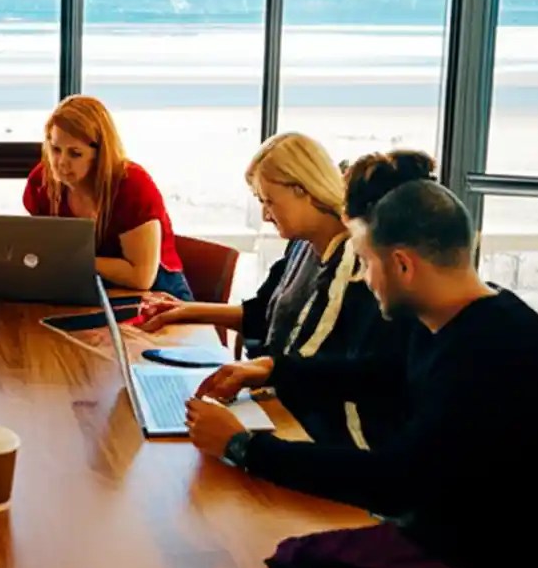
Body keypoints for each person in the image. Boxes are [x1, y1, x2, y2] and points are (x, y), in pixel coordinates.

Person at [185, 152, 538, 568]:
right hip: (455, 524)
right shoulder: (469, 314)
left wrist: (242, 446)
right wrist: (275, 369)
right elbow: (385, 373)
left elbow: (395, 482)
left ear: (403, 264)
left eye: (366, 263)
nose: (364, 278)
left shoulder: (490, 355)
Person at [142, 133, 411, 448]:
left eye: (269, 201)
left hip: (321, 429)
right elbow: (262, 313)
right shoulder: (301, 244)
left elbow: (302, 364)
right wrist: (186, 311)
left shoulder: (351, 261)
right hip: (286, 402)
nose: (265, 215)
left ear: (303, 190)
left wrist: (255, 377)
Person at [22, 95, 192, 298]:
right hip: (87, 285)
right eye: (55, 149)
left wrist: (69, 258)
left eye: (75, 153)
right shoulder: (42, 182)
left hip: (159, 292)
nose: (61, 162)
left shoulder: (132, 185)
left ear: (100, 154)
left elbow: (141, 277)